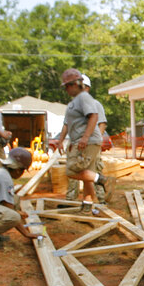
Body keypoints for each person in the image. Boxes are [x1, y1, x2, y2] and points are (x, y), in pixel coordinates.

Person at [48, 68, 116, 214]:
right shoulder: (74, 102)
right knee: (87, 175)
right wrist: (61, 141)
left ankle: (104, 180)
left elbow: (95, 117)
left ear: (76, 84)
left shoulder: (84, 98)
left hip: (86, 142)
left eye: (67, 86)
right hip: (81, 141)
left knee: (71, 171)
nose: (66, 89)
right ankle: (87, 205)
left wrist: (85, 138)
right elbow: (67, 124)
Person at [65, 74, 108, 202]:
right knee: (78, 172)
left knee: (92, 170)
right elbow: (68, 125)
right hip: (78, 142)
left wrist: (95, 142)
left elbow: (101, 123)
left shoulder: (94, 104)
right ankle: (74, 199)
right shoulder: (73, 105)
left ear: (87, 88)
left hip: (90, 143)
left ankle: (100, 198)